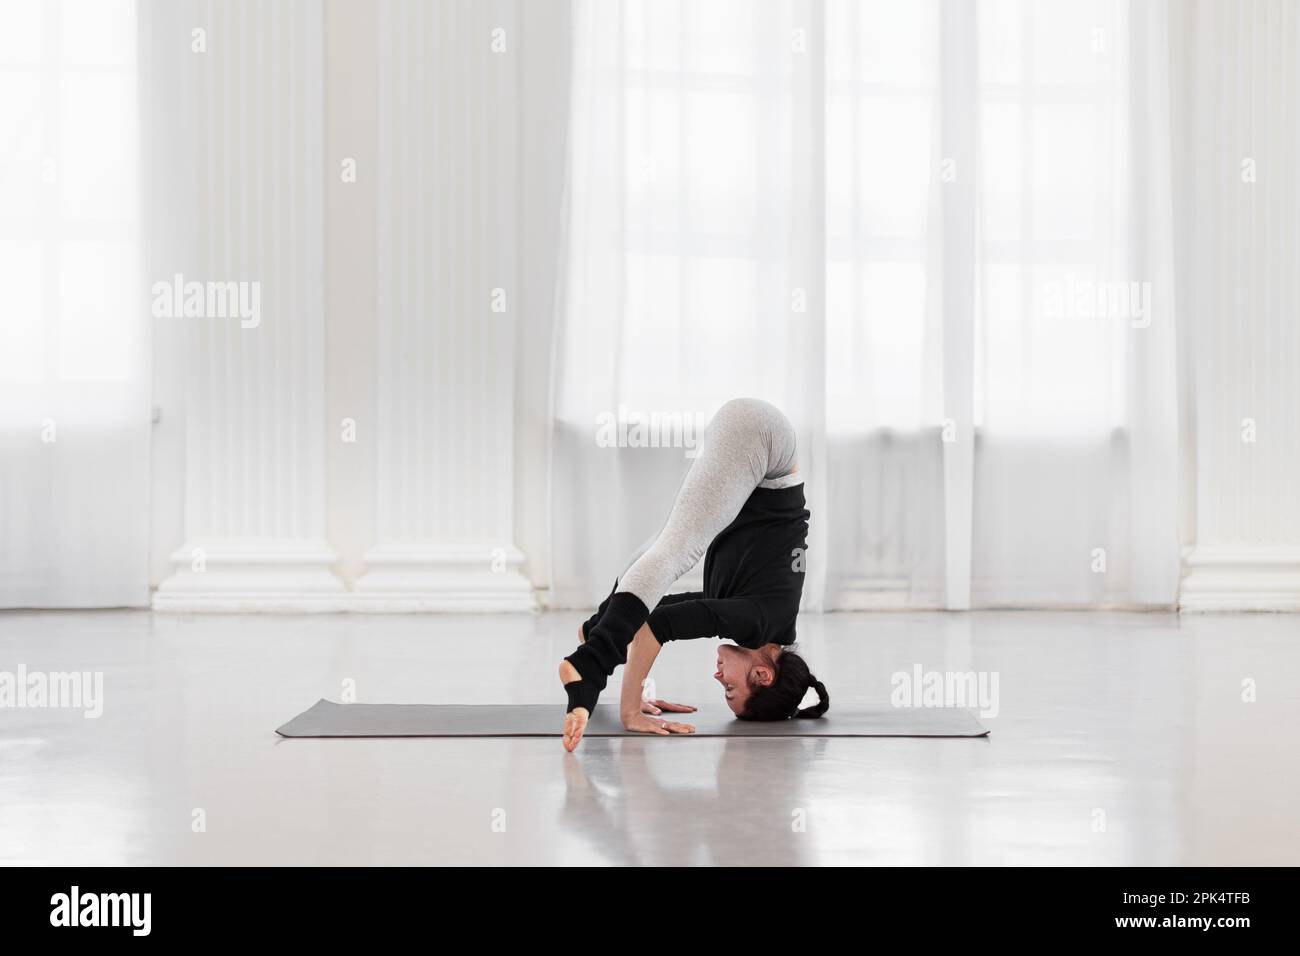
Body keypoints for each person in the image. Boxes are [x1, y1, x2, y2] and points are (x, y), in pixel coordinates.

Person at [559, 397, 830, 751]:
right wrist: (630, 709)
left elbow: (653, 613)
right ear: (763, 675)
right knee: (675, 552)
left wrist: (609, 633)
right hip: (762, 438)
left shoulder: (762, 622)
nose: (718, 677)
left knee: (664, 546)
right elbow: (660, 628)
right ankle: (591, 665)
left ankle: (594, 633)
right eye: (730, 687)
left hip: (758, 442)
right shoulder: (757, 622)